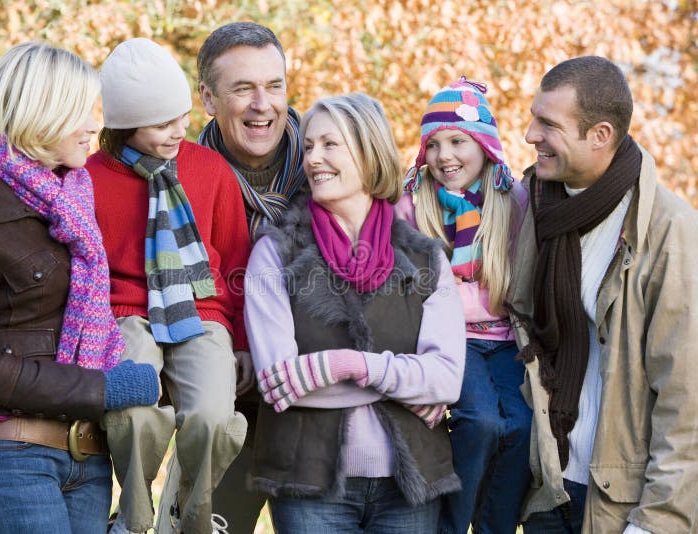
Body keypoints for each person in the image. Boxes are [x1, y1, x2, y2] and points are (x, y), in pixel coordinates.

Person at [0, 42, 161, 533]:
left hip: (87, 460)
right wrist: (104, 387)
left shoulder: (72, 201)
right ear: (40, 113)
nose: (94, 125)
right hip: (10, 460)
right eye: (80, 111)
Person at [244, 92, 466, 533]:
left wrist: (345, 365)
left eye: (330, 144)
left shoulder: (424, 258)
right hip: (309, 484)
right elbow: (277, 381)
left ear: (369, 151)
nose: (314, 159)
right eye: (308, 146)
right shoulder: (275, 252)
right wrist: (405, 385)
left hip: (411, 484)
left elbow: (446, 378)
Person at [509, 56, 698, 533]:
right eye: (534, 117)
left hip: (621, 507)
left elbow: (687, 403)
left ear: (600, 136)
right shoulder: (529, 208)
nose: (530, 134)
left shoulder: (668, 232)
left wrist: (656, 523)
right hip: (546, 489)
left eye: (548, 124)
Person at [86, 38, 250, 534]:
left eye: (181, 116)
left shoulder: (209, 169)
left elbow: (238, 261)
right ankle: (133, 520)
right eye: (162, 124)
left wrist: (240, 342)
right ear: (124, 126)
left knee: (214, 418)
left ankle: (187, 516)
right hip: (125, 312)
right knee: (136, 415)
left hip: (201, 310)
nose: (180, 129)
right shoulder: (90, 179)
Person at [159, 22, 306, 533]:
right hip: (232, 403)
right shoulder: (173, 180)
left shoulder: (330, 162)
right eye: (243, 88)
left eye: (274, 85)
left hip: (315, 405)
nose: (262, 104)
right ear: (208, 98)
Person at [397, 77, 531, 534]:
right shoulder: (415, 204)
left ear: (484, 143)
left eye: (457, 141)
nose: (445, 156)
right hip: (454, 339)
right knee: (481, 422)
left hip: (506, 336)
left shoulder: (512, 199)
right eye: (433, 145)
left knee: (521, 426)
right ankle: (450, 525)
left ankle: (495, 525)